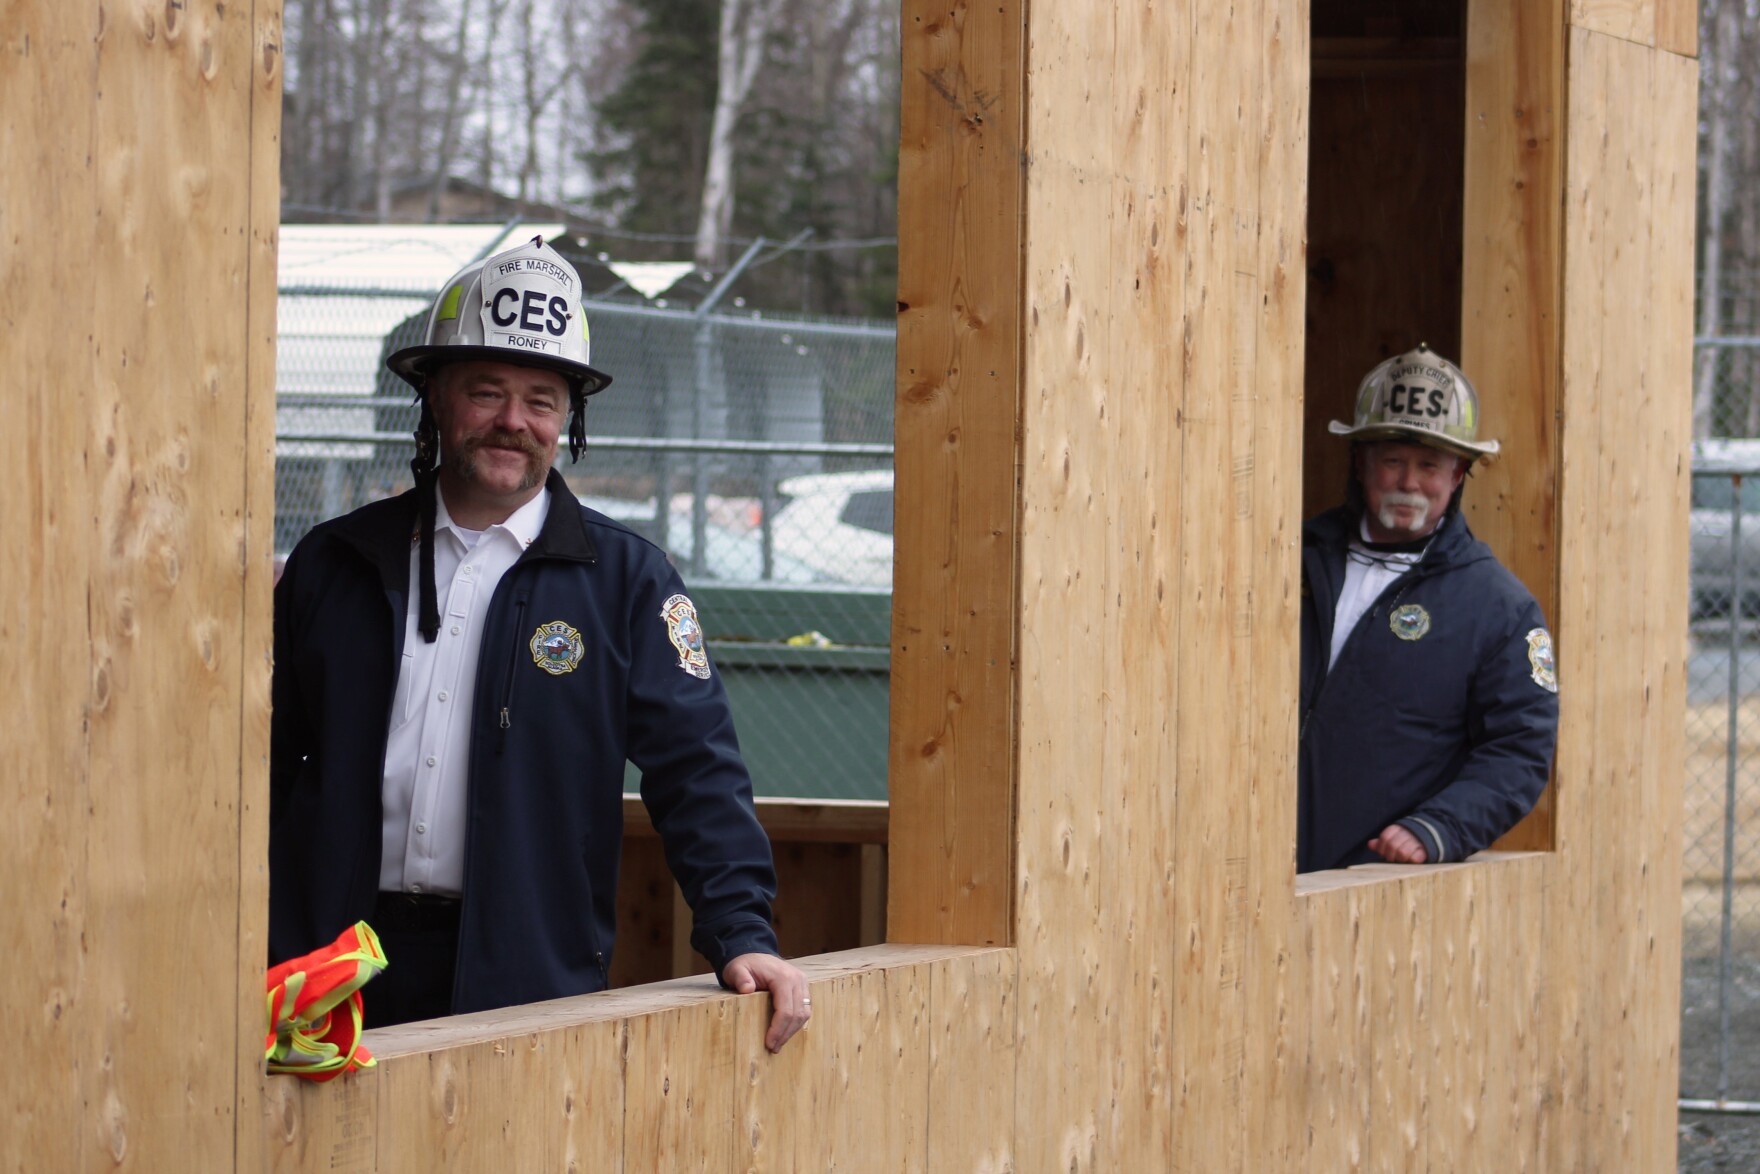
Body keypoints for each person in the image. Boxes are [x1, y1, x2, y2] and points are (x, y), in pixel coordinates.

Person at [269, 237, 810, 1051]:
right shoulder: (335, 562)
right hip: (326, 973)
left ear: (568, 420)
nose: (512, 422)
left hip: (525, 979)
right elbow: (263, 760)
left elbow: (697, 771)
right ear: (437, 401)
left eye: (541, 399)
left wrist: (744, 933)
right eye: (485, 391)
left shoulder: (629, 583)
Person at [1298, 343, 1559, 873]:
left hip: (1365, 893)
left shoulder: (1499, 609)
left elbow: (1519, 749)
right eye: (1392, 461)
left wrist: (1439, 827)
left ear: (1459, 473)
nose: (1409, 483)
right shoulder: (1289, 560)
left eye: (1429, 466)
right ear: (1360, 460)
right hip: (1237, 872)